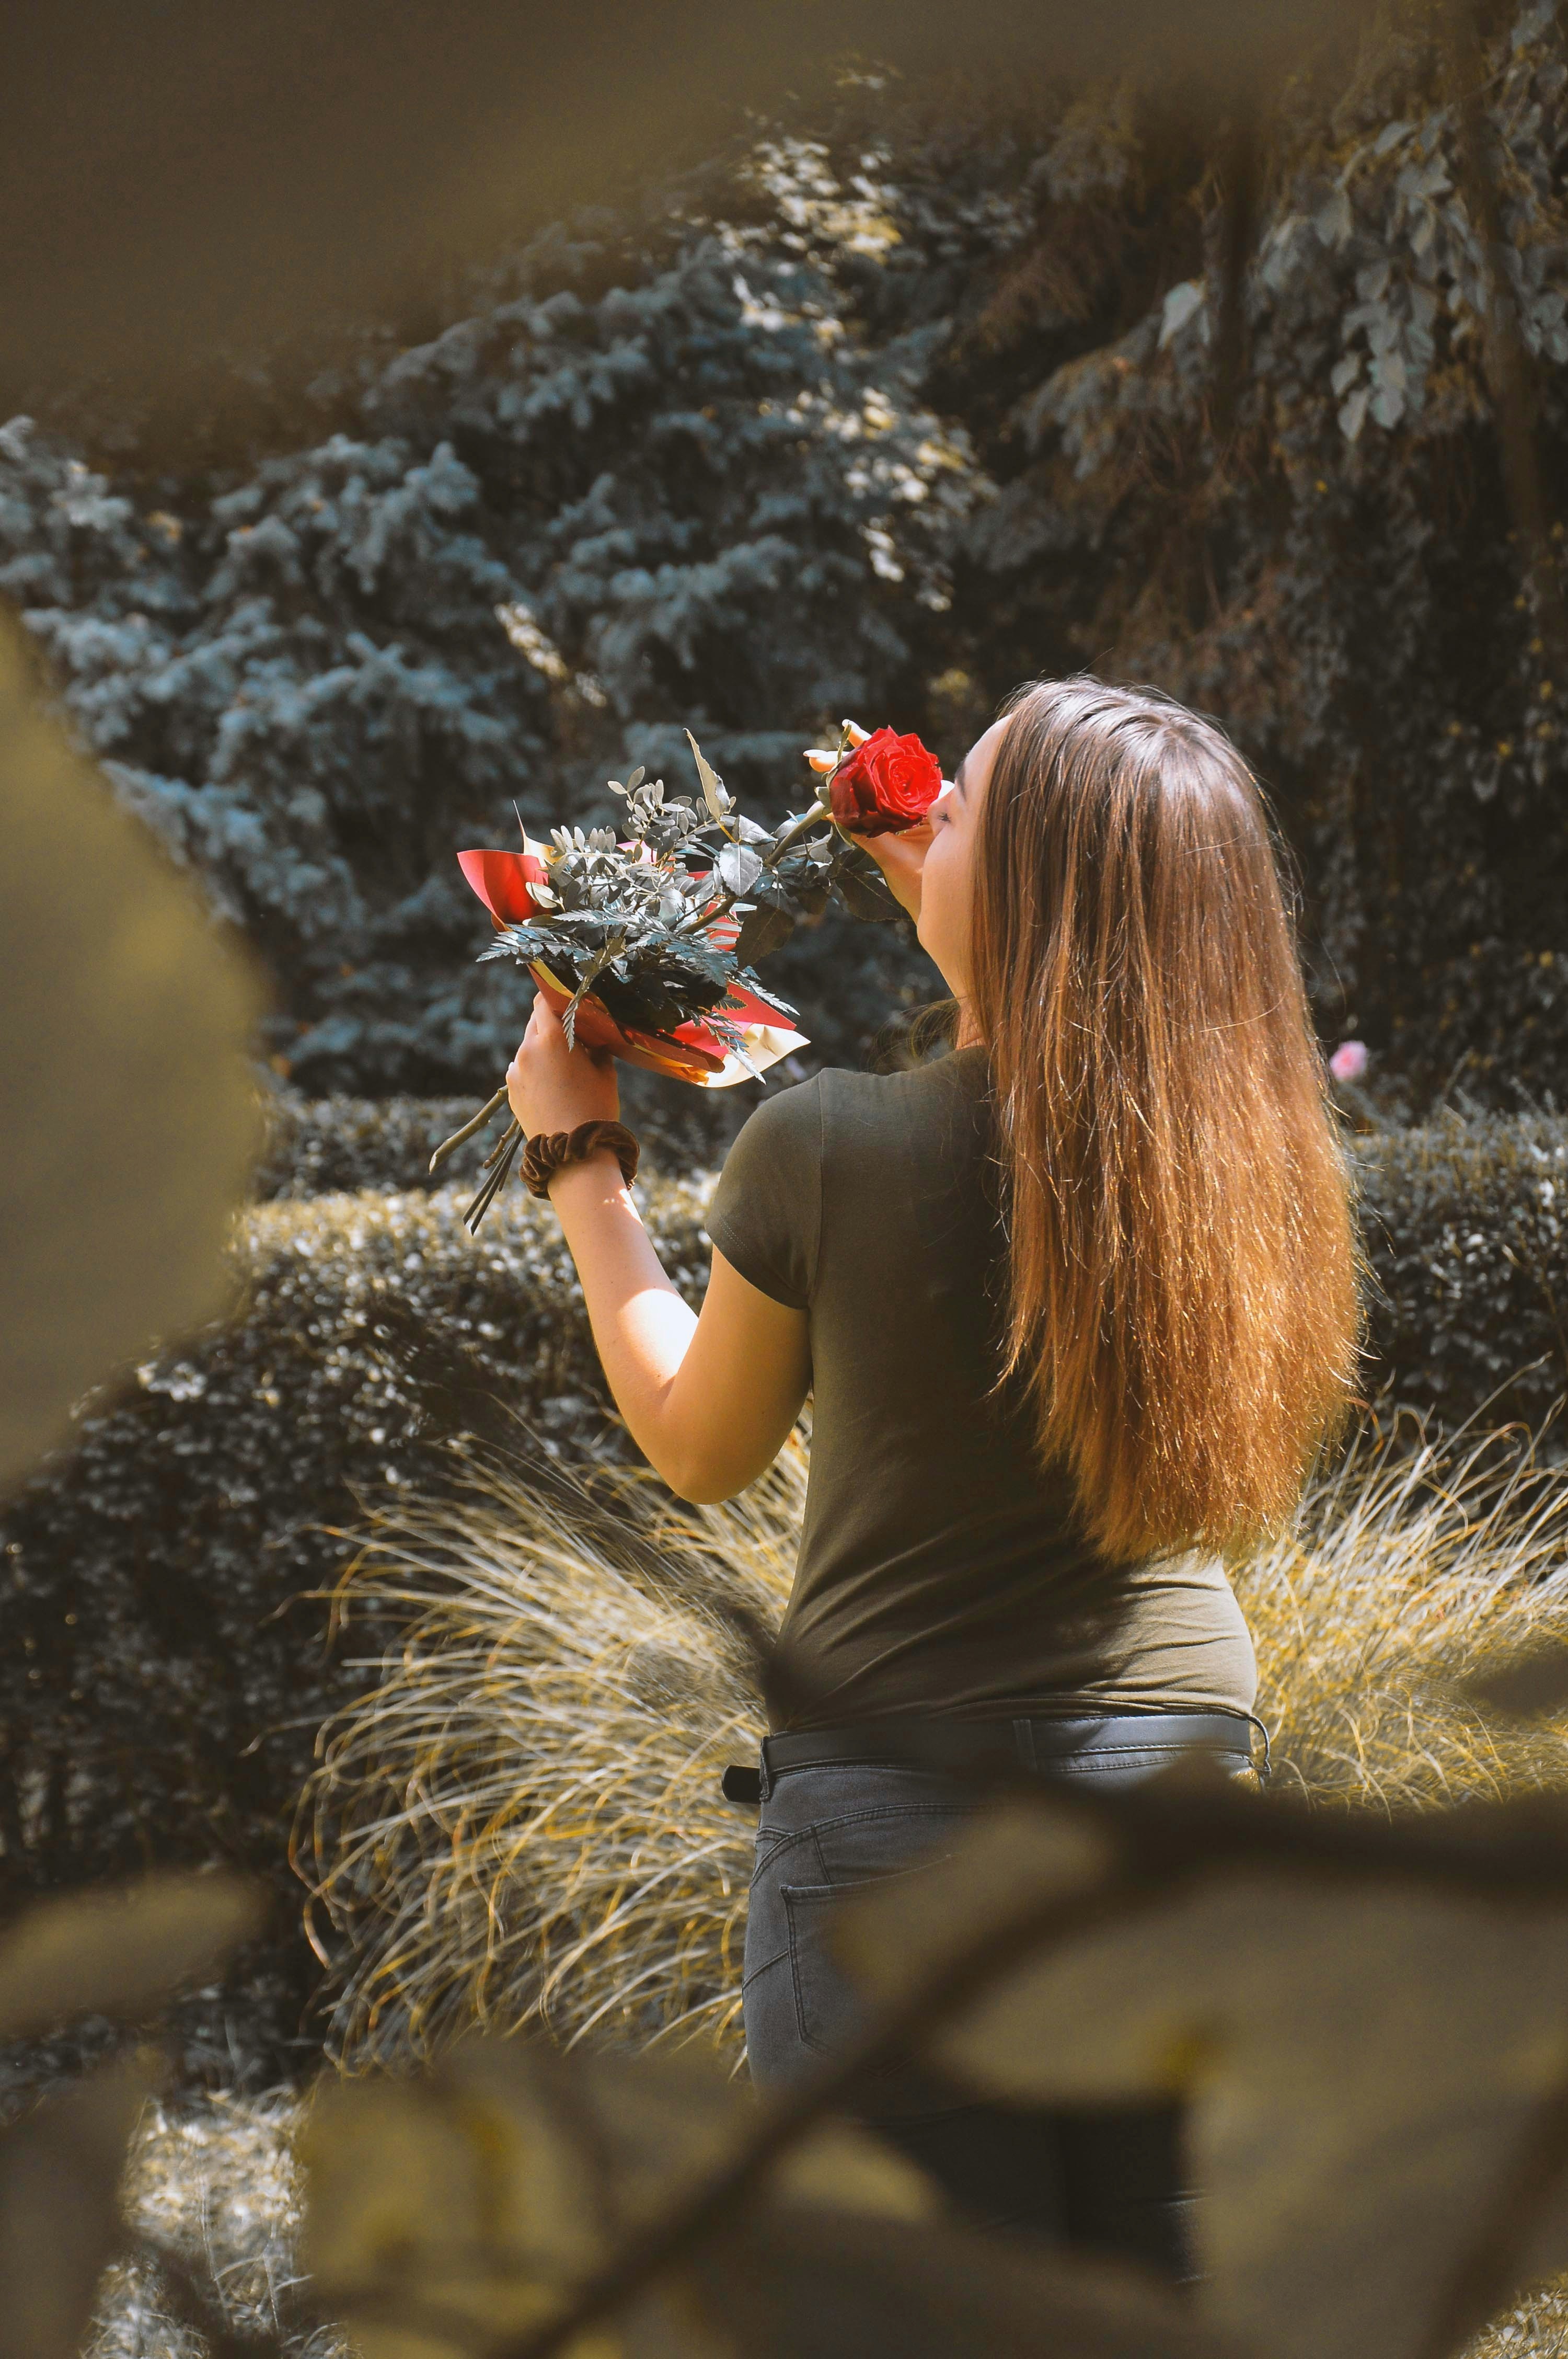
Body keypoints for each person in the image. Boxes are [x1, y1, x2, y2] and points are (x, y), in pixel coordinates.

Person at [502, 675, 1360, 2276]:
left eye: (957, 806)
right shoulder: (1253, 1177)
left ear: (1026, 889)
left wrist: (584, 1165)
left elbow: (699, 1439)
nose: (919, 821)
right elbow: (1063, 1038)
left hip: (897, 1841)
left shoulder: (829, 1145)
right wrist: (956, 891)